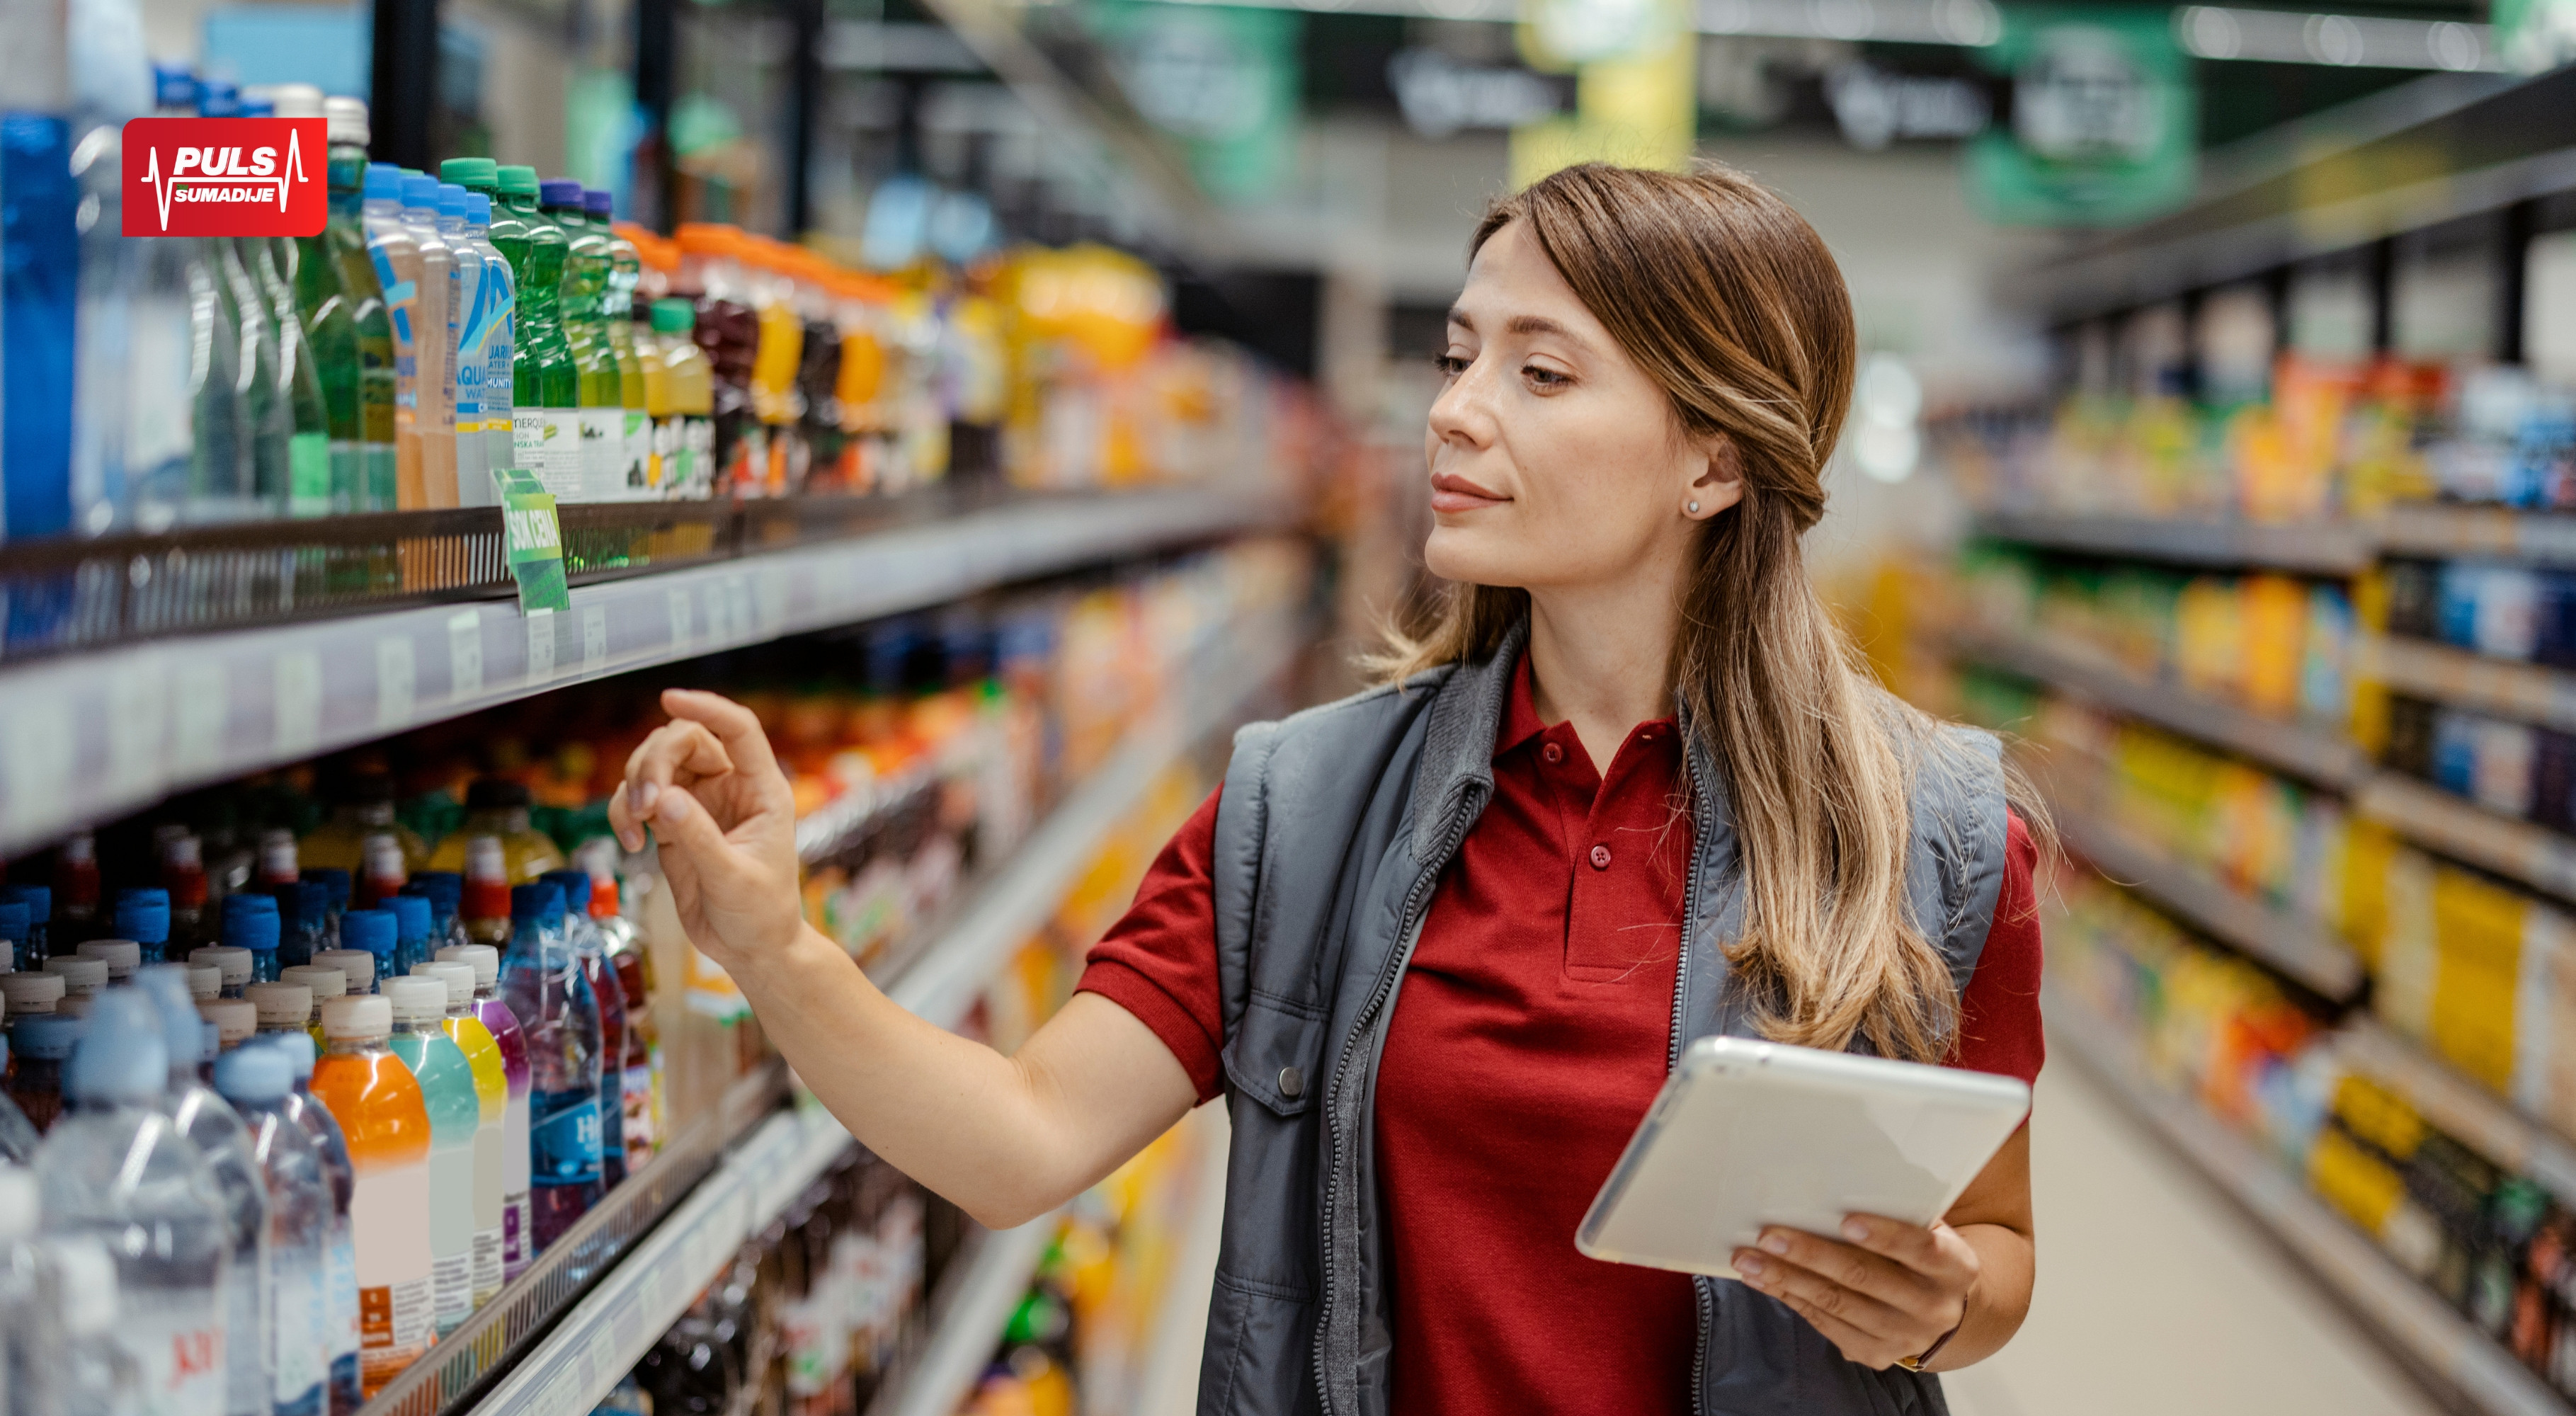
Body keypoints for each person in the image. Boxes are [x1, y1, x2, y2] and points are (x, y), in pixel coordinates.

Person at [608, 161, 2048, 1415]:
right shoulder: (1302, 807)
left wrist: (1930, 1305)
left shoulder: (1927, 830)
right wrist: (773, 944)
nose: (1455, 414)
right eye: (1456, 356)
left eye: (1540, 374)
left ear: (1716, 455)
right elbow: (1020, 1139)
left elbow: (1994, 1252)